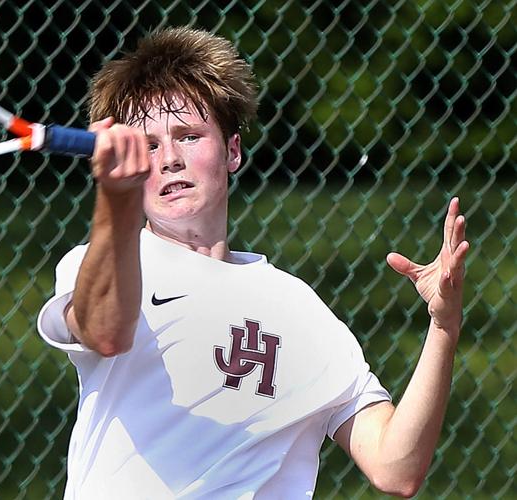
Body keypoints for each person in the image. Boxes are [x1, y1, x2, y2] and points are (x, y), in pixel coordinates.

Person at [37, 27, 469, 499]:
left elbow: (396, 467)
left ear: (232, 151)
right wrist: (116, 196)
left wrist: (444, 325)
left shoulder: (296, 306)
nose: (170, 159)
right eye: (149, 145)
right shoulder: (102, 262)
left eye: (189, 136)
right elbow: (105, 331)